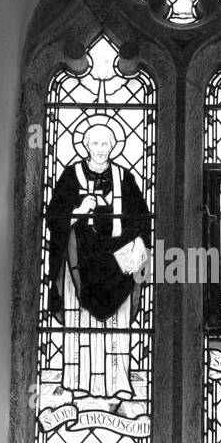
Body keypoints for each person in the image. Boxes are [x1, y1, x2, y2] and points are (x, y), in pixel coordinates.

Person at [44, 122, 151, 403]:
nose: (101, 150)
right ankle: (76, 382)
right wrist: (79, 211)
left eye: (106, 144)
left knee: (117, 323)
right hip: (80, 260)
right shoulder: (71, 176)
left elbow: (141, 218)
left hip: (117, 262)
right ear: (86, 146)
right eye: (95, 144)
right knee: (79, 320)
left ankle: (117, 383)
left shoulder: (124, 178)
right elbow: (54, 217)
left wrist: (140, 241)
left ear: (113, 146)